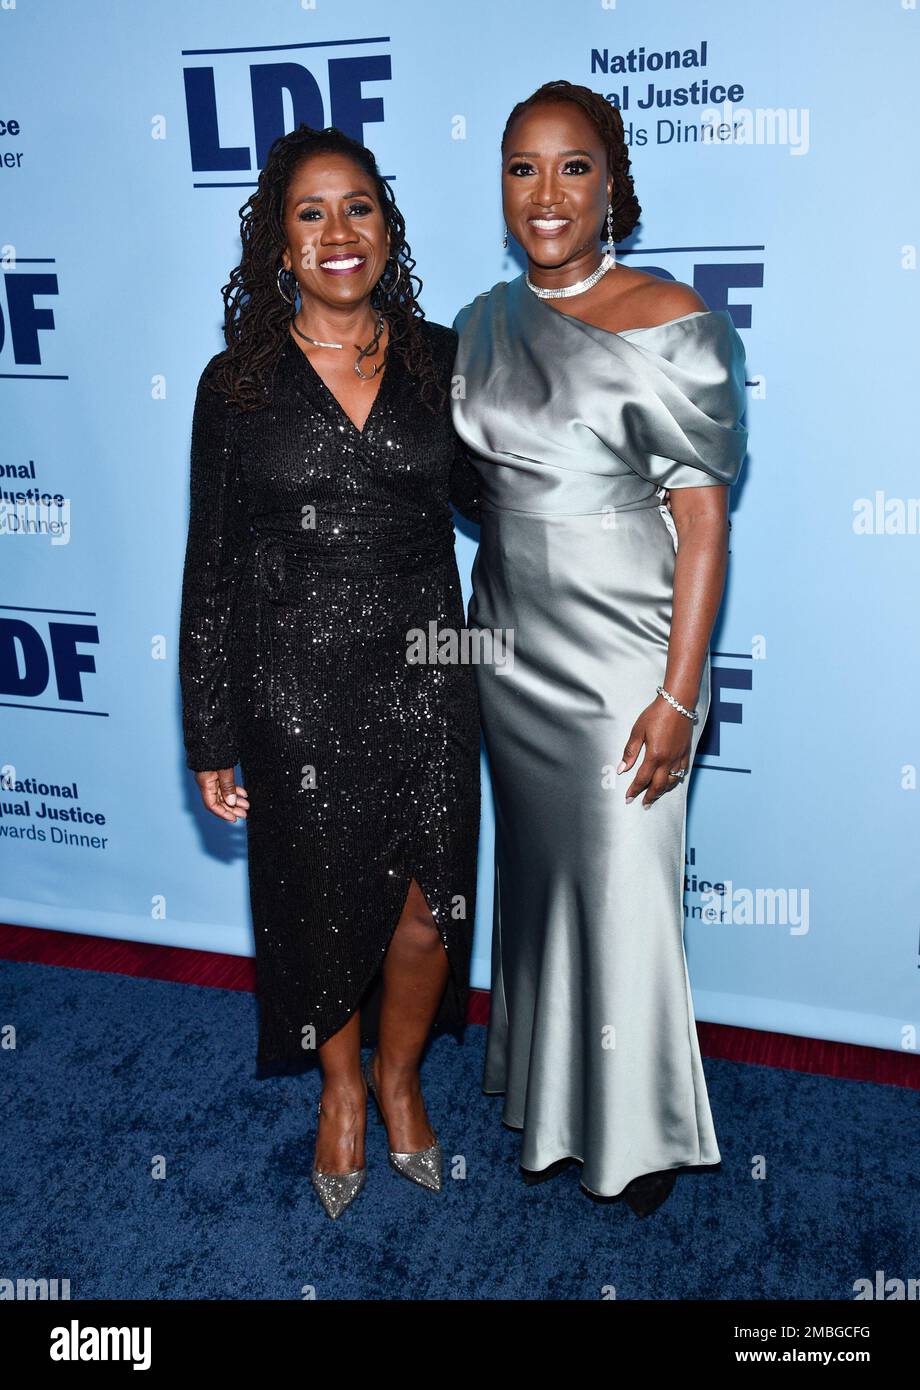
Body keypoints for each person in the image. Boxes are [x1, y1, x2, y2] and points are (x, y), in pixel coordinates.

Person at [450, 80, 748, 1215]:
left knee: (623, 885)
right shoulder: (479, 321)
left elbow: (702, 520)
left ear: (613, 180)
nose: (545, 193)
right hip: (509, 648)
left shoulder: (672, 320)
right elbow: (481, 485)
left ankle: (636, 1134)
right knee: (541, 883)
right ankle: (552, 1091)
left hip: (626, 654)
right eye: (521, 168)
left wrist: (676, 698)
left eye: (571, 167)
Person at [178, 124, 480, 1219]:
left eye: (357, 207)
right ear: (278, 244)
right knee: (319, 911)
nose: (336, 231)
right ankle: (342, 1091)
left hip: (426, 680)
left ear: (386, 230)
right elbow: (208, 564)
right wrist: (208, 731)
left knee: (423, 912)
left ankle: (401, 1077)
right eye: (310, 213)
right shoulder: (238, 385)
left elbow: (504, 506)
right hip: (293, 692)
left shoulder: (443, 358)